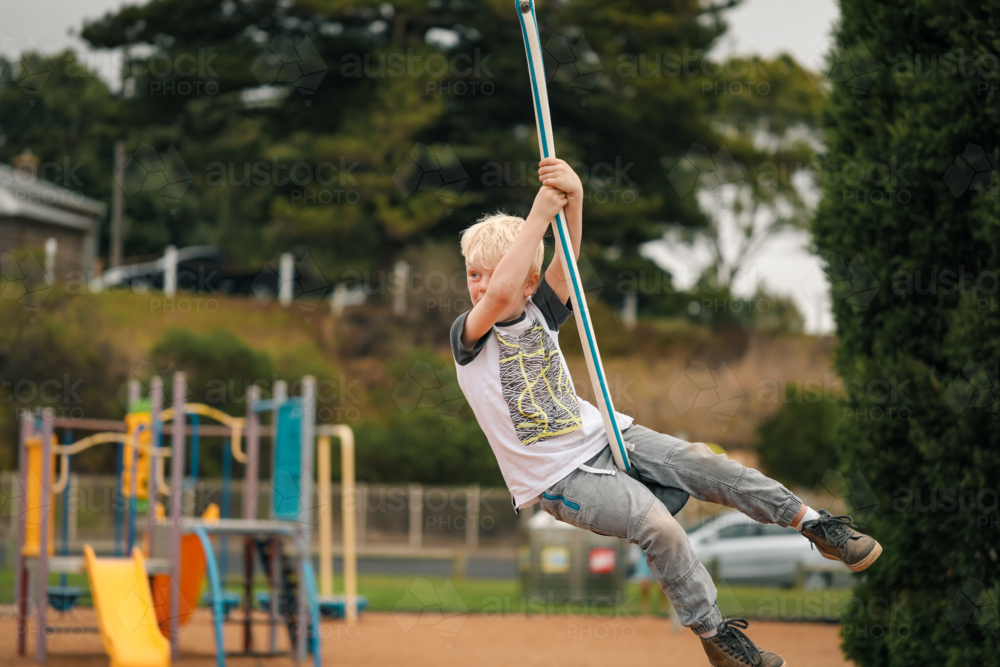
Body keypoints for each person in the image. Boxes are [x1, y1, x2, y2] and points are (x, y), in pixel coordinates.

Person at [449, 157, 882, 667]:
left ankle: (817, 526)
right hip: (556, 478)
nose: (481, 285)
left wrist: (576, 199)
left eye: (492, 273)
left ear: (529, 282)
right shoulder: (470, 334)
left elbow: (564, 261)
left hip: (607, 435)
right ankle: (718, 638)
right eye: (472, 274)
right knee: (661, 527)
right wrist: (539, 213)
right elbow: (499, 293)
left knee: (711, 464)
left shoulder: (540, 309)